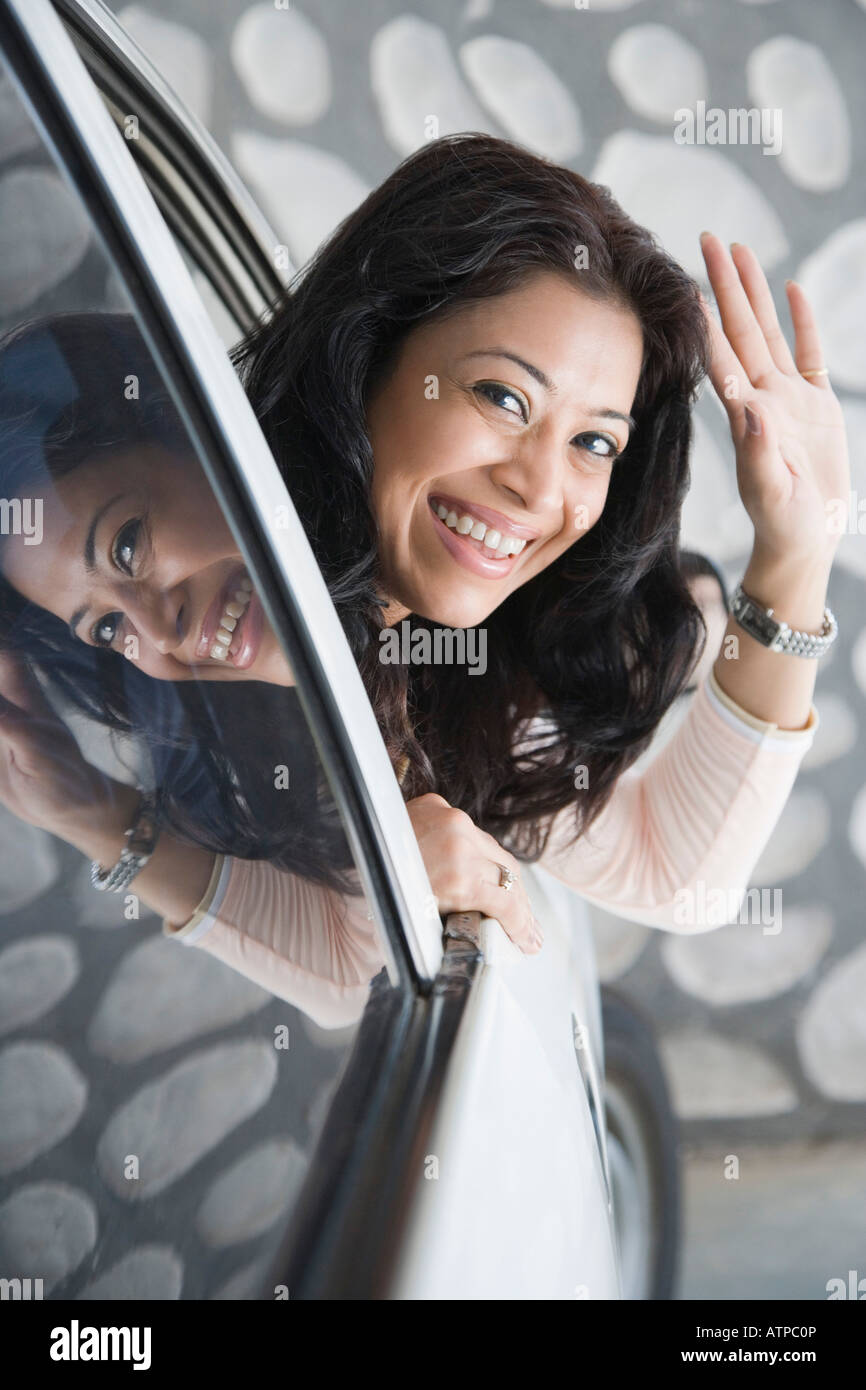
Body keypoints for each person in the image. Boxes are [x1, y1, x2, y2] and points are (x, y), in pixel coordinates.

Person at [0, 134, 847, 1026]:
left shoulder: (459, 669)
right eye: (504, 399)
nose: (540, 488)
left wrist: (797, 550)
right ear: (365, 362)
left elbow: (673, 876)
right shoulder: (265, 686)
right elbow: (340, 961)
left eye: (593, 441)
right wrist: (86, 808)